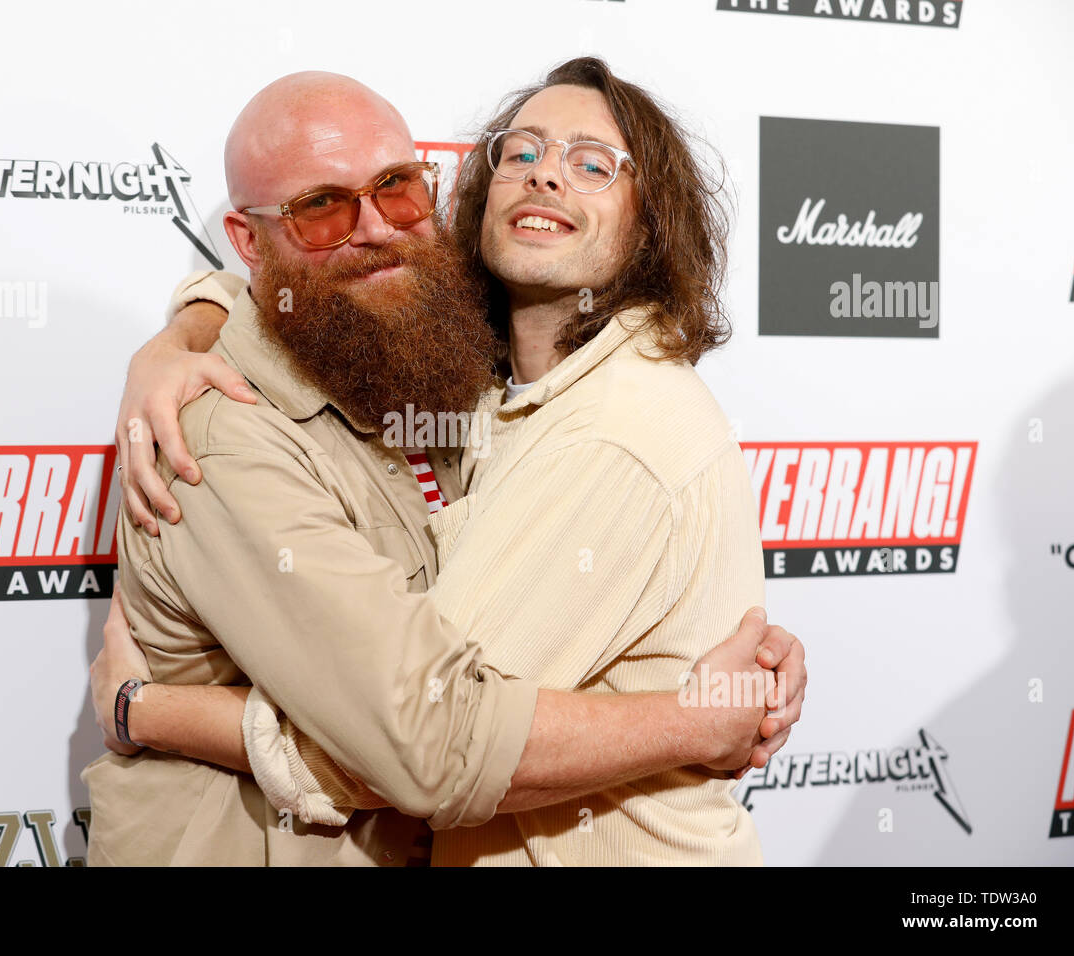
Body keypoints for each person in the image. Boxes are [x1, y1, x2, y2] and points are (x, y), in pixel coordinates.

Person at [85, 61, 807, 866]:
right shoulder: (244, 428)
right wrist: (183, 328)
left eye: (396, 186)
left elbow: (427, 738)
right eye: (320, 206)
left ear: (651, 221)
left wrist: (141, 708)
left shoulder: (584, 418)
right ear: (251, 240)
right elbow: (429, 739)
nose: (376, 227)